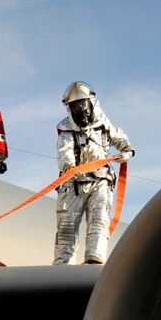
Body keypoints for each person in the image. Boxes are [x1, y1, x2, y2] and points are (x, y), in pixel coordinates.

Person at [53, 81, 135, 265]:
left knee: (98, 219)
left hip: (100, 179)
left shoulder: (102, 123)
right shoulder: (66, 129)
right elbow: (64, 152)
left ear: (91, 103)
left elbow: (118, 136)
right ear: (70, 109)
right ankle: (62, 266)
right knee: (66, 227)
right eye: (76, 106)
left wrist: (126, 149)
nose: (80, 109)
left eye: (83, 104)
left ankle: (94, 259)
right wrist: (69, 166)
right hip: (73, 182)